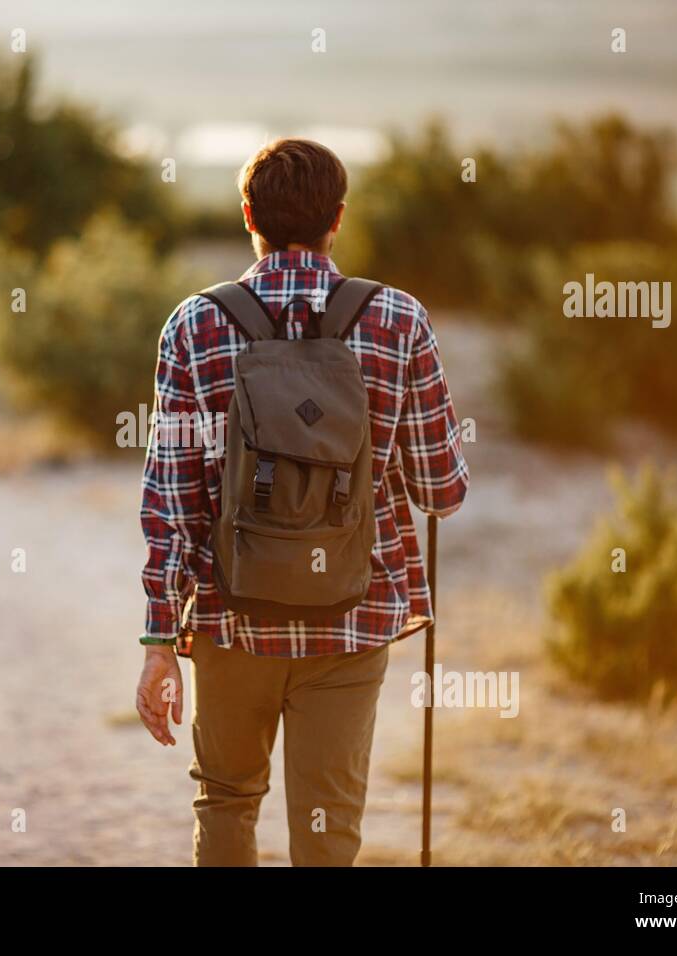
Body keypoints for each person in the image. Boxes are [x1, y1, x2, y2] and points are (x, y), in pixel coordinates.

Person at [135, 138, 468, 866]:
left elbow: (172, 498)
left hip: (231, 613)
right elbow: (441, 489)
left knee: (225, 801)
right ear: (338, 218)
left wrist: (161, 641)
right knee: (327, 829)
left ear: (247, 213)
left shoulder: (195, 324)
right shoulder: (399, 321)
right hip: (352, 619)